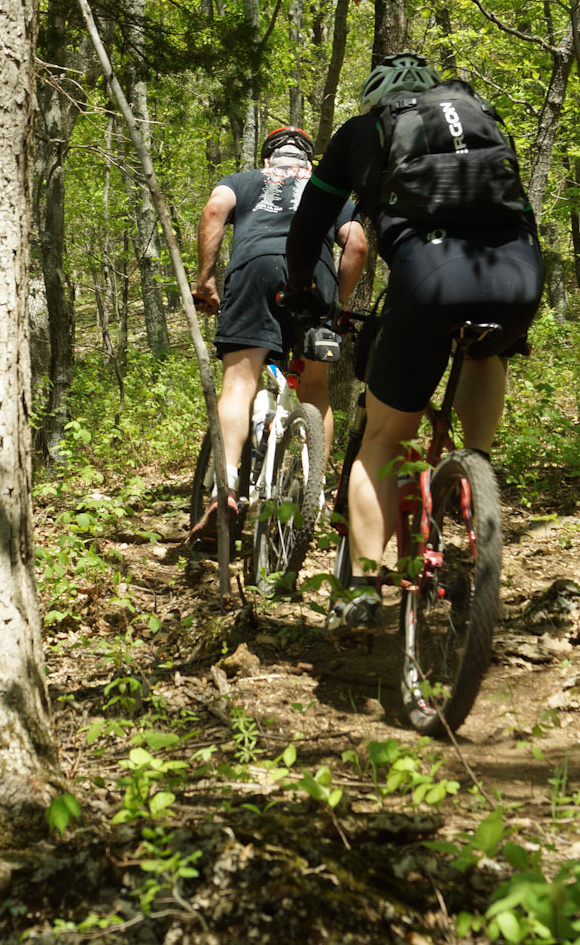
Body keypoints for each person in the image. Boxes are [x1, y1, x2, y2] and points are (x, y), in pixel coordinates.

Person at [282, 53, 543, 631]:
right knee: (483, 350)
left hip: (430, 276)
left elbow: (307, 229)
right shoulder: (480, 114)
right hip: (520, 275)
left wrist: (304, 290)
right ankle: (476, 472)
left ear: (377, 100)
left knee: (382, 435)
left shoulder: (361, 131)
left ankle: (364, 587)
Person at [189, 125, 368, 548]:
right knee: (314, 387)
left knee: (239, 383)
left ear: (268, 159)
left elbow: (215, 210)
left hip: (253, 269)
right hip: (314, 273)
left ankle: (226, 489)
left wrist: (206, 278)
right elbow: (356, 246)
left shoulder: (244, 180)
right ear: (309, 161)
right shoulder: (330, 190)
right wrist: (334, 303)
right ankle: (311, 487)